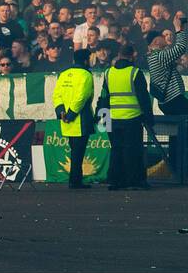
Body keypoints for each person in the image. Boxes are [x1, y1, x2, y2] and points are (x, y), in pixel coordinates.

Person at [96, 46, 153, 191]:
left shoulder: (108, 73)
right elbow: (144, 98)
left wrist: (101, 118)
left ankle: (116, 181)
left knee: (116, 150)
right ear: (132, 55)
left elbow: (104, 96)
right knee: (133, 150)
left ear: (119, 55)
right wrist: (148, 118)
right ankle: (134, 181)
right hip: (132, 118)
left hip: (113, 119)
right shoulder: (135, 72)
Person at [53, 53, 96, 189]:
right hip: (80, 118)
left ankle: (75, 179)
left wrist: (61, 112)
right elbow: (81, 97)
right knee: (78, 151)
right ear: (85, 60)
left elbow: (56, 95)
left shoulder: (64, 74)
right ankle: (75, 181)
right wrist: (71, 114)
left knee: (74, 150)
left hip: (65, 119)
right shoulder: (86, 75)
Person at [144, 12, 188, 115]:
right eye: (162, 36)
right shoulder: (159, 56)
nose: (165, 38)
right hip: (173, 99)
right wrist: (178, 28)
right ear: (156, 41)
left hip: (167, 100)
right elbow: (180, 47)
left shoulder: (154, 56)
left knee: (180, 128)